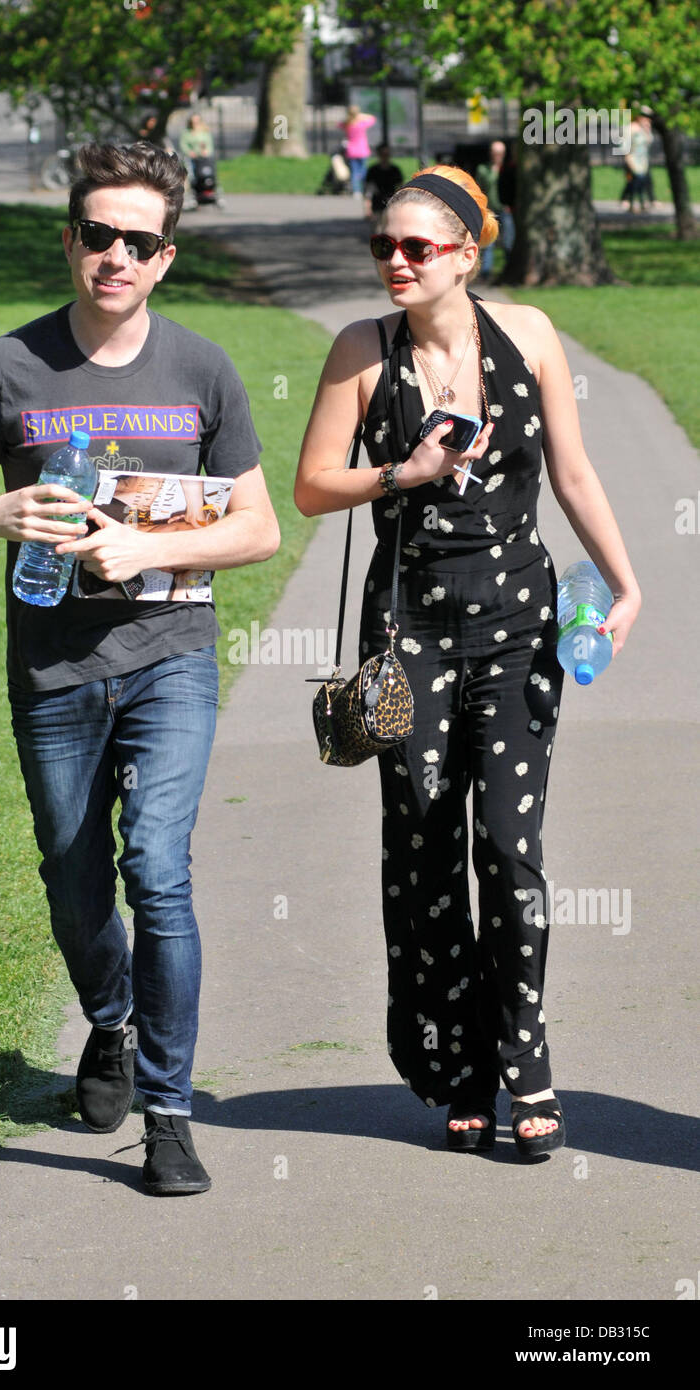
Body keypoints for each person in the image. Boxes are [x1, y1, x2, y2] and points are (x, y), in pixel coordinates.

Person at [0, 140, 280, 1195]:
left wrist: (152, 548)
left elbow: (257, 528)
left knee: (156, 873)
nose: (115, 256)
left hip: (171, 657)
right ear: (69, 240)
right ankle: (111, 1021)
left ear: (164, 258)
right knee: (74, 889)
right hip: (54, 672)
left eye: (139, 241)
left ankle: (169, 1112)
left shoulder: (203, 370)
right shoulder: (8, 365)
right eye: (98, 235)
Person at [294, 165, 641, 1158]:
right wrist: (406, 470)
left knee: (509, 848)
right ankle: (458, 1062)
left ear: (467, 255)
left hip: (522, 625)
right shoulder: (361, 353)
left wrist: (626, 584)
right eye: (382, 247)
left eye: (416, 247)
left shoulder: (527, 333)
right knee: (425, 851)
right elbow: (313, 489)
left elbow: (571, 469)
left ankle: (525, 1059)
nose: (394, 263)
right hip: (408, 637)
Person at [475, 140, 515, 279]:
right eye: (495, 153)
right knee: (488, 242)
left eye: (500, 153)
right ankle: (486, 272)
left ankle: (508, 269)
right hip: (490, 210)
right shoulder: (483, 169)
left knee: (508, 241)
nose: (497, 155)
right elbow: (479, 189)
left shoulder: (509, 169)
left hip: (505, 209)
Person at [339, 105, 378, 197]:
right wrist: (361, 116)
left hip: (352, 150)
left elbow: (339, 124)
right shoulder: (361, 124)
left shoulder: (348, 124)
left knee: (354, 171)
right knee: (363, 171)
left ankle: (357, 191)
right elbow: (373, 119)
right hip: (362, 150)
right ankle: (365, 188)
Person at [363, 144, 404, 222]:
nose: (385, 157)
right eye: (383, 154)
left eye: (387, 154)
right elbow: (368, 191)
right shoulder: (373, 171)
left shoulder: (395, 171)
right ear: (379, 155)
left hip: (392, 204)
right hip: (377, 204)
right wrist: (367, 208)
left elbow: (400, 189)